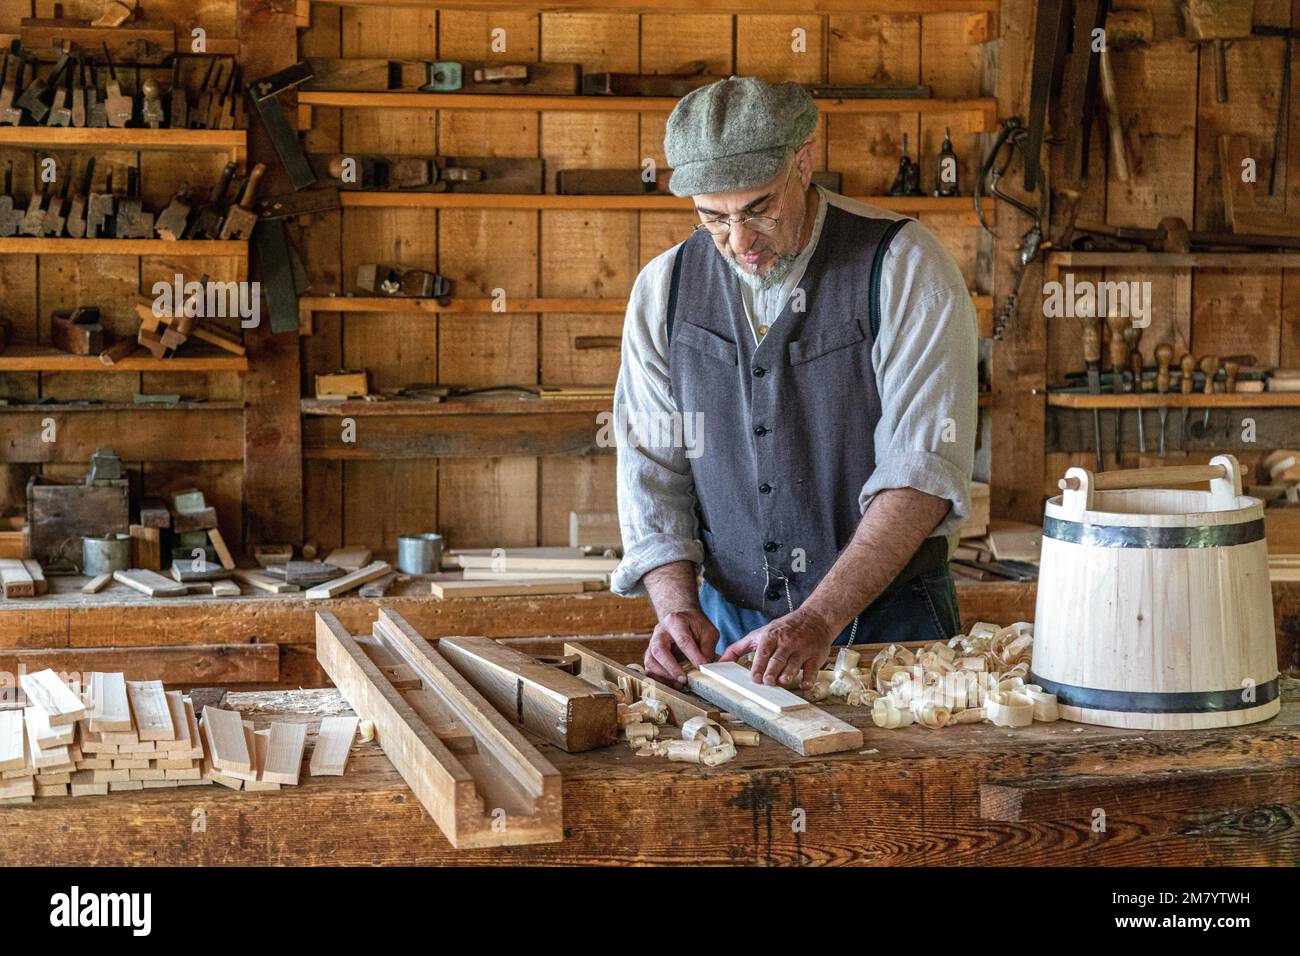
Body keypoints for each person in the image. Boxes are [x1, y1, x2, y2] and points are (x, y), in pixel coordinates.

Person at [610, 76, 977, 690]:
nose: (742, 243)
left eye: (758, 209)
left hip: (893, 632)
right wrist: (675, 606)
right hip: (731, 631)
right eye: (714, 220)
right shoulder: (663, 290)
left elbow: (921, 471)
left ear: (803, 163)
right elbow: (652, 469)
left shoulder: (904, 267)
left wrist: (818, 618)